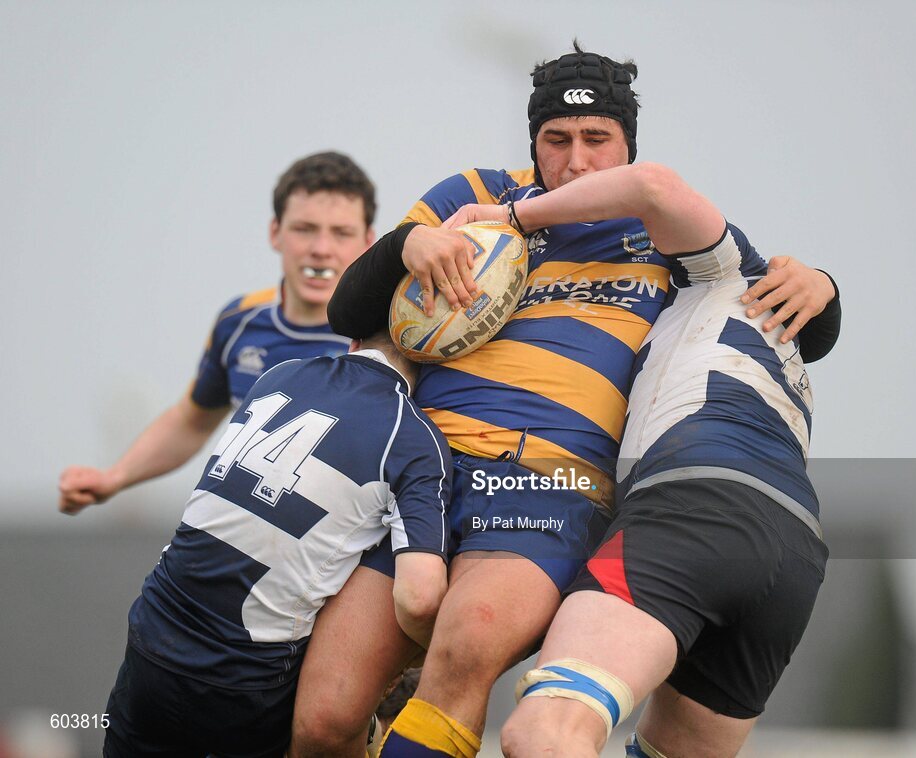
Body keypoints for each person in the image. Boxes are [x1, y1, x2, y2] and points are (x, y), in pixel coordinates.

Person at [321, 44, 839, 758]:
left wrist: (822, 284)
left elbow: (779, 318)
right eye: (555, 141)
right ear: (532, 141)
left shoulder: (657, 232)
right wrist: (409, 243)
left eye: (597, 140)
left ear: (627, 145)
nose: (575, 161)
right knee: (321, 720)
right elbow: (351, 309)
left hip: (552, 479)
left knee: (467, 647)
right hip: (422, 466)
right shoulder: (470, 195)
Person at [450, 161, 832, 756]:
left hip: (695, 508)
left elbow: (650, 187)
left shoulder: (722, 271)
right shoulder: (755, 332)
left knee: (545, 732)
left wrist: (509, 216)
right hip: (794, 552)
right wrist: (825, 282)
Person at [103, 331, 451, 757]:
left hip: (151, 638)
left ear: (355, 338)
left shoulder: (280, 374)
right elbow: (418, 599)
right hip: (245, 678)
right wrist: (418, 657)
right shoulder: (413, 436)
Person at [58, 151, 376, 515]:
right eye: (304, 229)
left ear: (368, 241)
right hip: (242, 551)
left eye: (341, 233)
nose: (321, 249)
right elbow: (192, 421)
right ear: (275, 233)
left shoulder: (388, 337)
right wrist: (113, 478)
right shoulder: (239, 321)